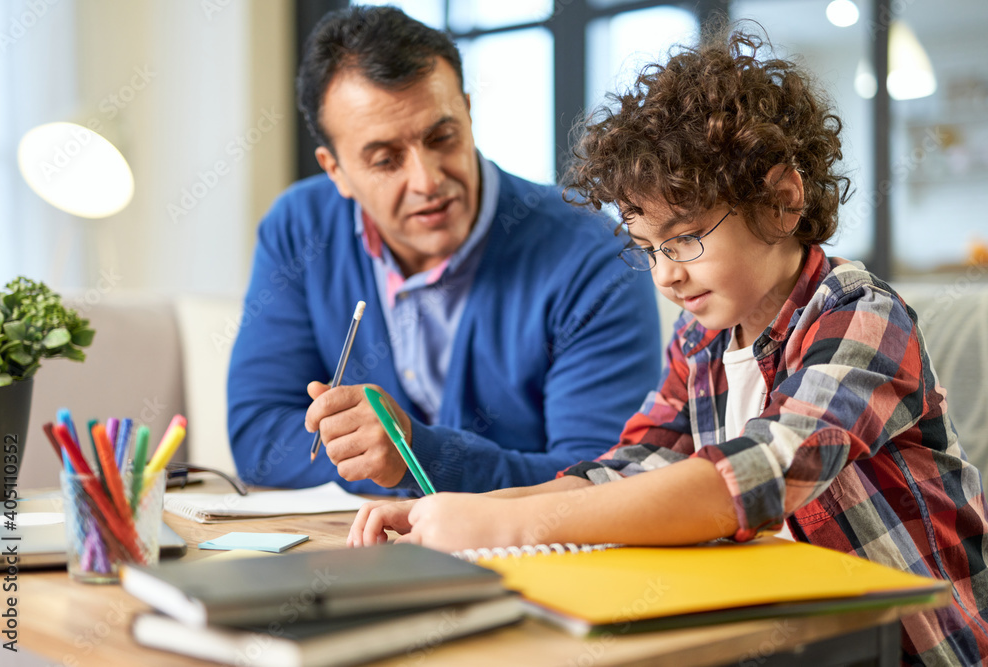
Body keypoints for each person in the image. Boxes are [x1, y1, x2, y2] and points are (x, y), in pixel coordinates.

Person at [348, 28, 988, 664]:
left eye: (683, 239)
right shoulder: (699, 338)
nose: (665, 275)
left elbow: (753, 480)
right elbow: (630, 467)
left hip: (910, 650)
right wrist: (464, 511)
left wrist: (507, 527)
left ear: (782, 200)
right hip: (785, 638)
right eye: (649, 249)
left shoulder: (861, 315)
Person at [226, 5, 662, 496]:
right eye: (386, 160)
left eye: (443, 137)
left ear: (469, 114)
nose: (428, 180)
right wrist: (380, 458)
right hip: (357, 552)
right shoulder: (299, 229)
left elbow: (602, 478)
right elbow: (259, 441)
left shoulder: (594, 255)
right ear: (336, 171)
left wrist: (416, 458)